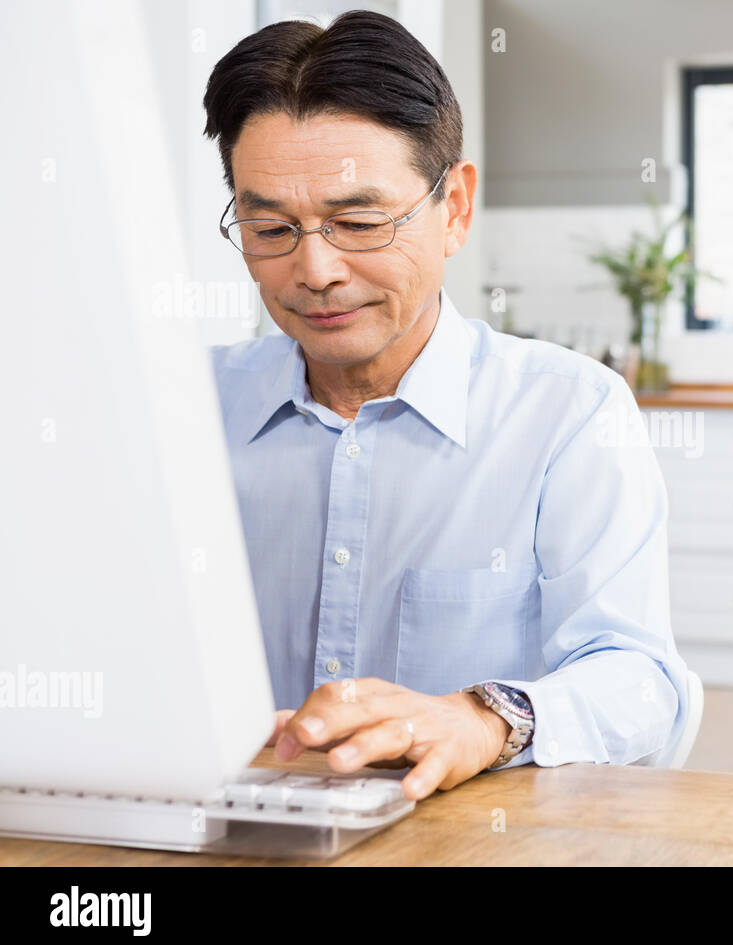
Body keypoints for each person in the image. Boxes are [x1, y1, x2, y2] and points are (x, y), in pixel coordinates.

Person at [203, 10, 687, 801]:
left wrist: (487, 719)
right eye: (270, 228)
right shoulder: (190, 411)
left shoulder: (569, 412)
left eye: (358, 222)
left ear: (454, 207)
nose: (315, 269)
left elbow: (643, 682)